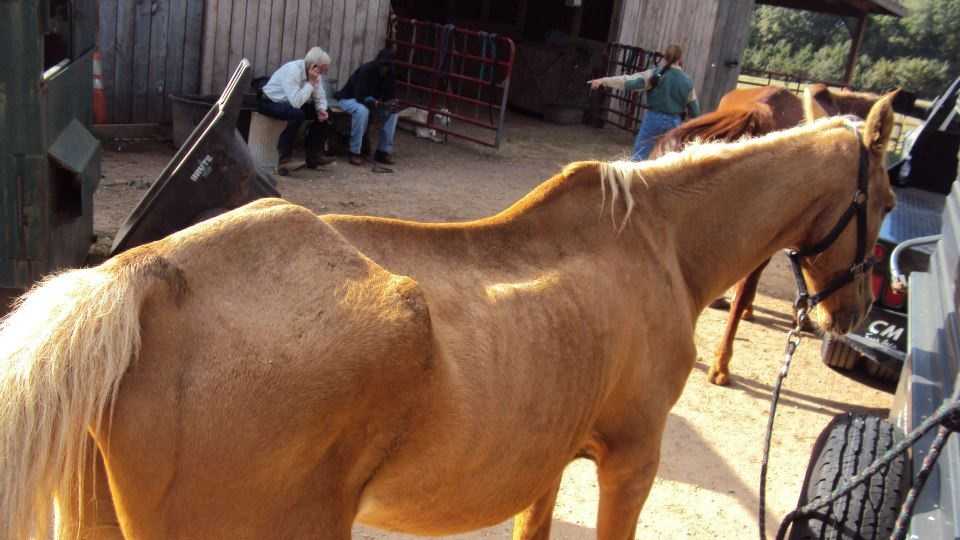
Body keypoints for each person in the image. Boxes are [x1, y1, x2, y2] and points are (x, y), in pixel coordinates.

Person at [588, 44, 700, 161]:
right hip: (674, 123)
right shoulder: (687, 82)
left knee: (639, 157)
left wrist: (603, 81)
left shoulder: (654, 75)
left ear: (665, 57)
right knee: (668, 161)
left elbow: (628, 82)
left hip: (653, 119)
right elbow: (695, 111)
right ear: (680, 59)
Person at [258, 47, 334, 168]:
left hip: (290, 102)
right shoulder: (293, 70)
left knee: (326, 114)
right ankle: (284, 158)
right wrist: (311, 83)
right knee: (297, 114)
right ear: (314, 66)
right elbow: (296, 103)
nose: (324, 72)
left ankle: (314, 157)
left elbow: (320, 96)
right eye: (323, 69)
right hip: (269, 102)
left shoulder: (315, 73)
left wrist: (321, 110)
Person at [334, 47, 400, 166]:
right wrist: (374, 102)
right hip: (349, 98)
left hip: (371, 102)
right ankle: (354, 151)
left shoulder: (391, 74)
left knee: (393, 113)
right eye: (383, 65)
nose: (385, 68)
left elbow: (390, 95)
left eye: (388, 65)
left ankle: (383, 151)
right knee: (362, 111)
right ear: (378, 62)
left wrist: (390, 104)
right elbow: (359, 96)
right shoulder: (366, 70)